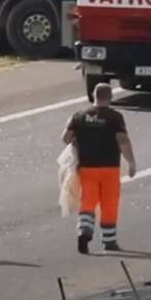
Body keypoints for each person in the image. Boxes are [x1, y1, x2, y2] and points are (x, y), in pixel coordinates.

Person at [62, 82, 136, 254]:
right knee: (109, 203)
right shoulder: (115, 117)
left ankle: (84, 231)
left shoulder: (79, 116)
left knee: (88, 202)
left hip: (87, 168)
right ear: (110, 97)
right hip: (110, 168)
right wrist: (131, 162)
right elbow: (122, 140)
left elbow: (65, 137)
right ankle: (109, 241)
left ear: (93, 96)